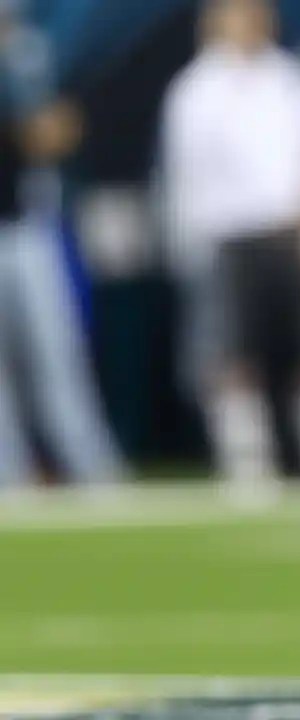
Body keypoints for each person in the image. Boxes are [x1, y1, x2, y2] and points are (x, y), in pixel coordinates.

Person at [162, 0, 300, 487]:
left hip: (291, 235)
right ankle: (249, 465)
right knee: (235, 359)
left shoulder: (288, 79)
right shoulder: (194, 91)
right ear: (215, 22)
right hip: (230, 240)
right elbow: (184, 179)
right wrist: (191, 255)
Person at [0, 0, 126, 489]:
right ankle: (8, 481)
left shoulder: (29, 57)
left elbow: (58, 132)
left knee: (59, 356)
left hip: (28, 225)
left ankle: (95, 472)